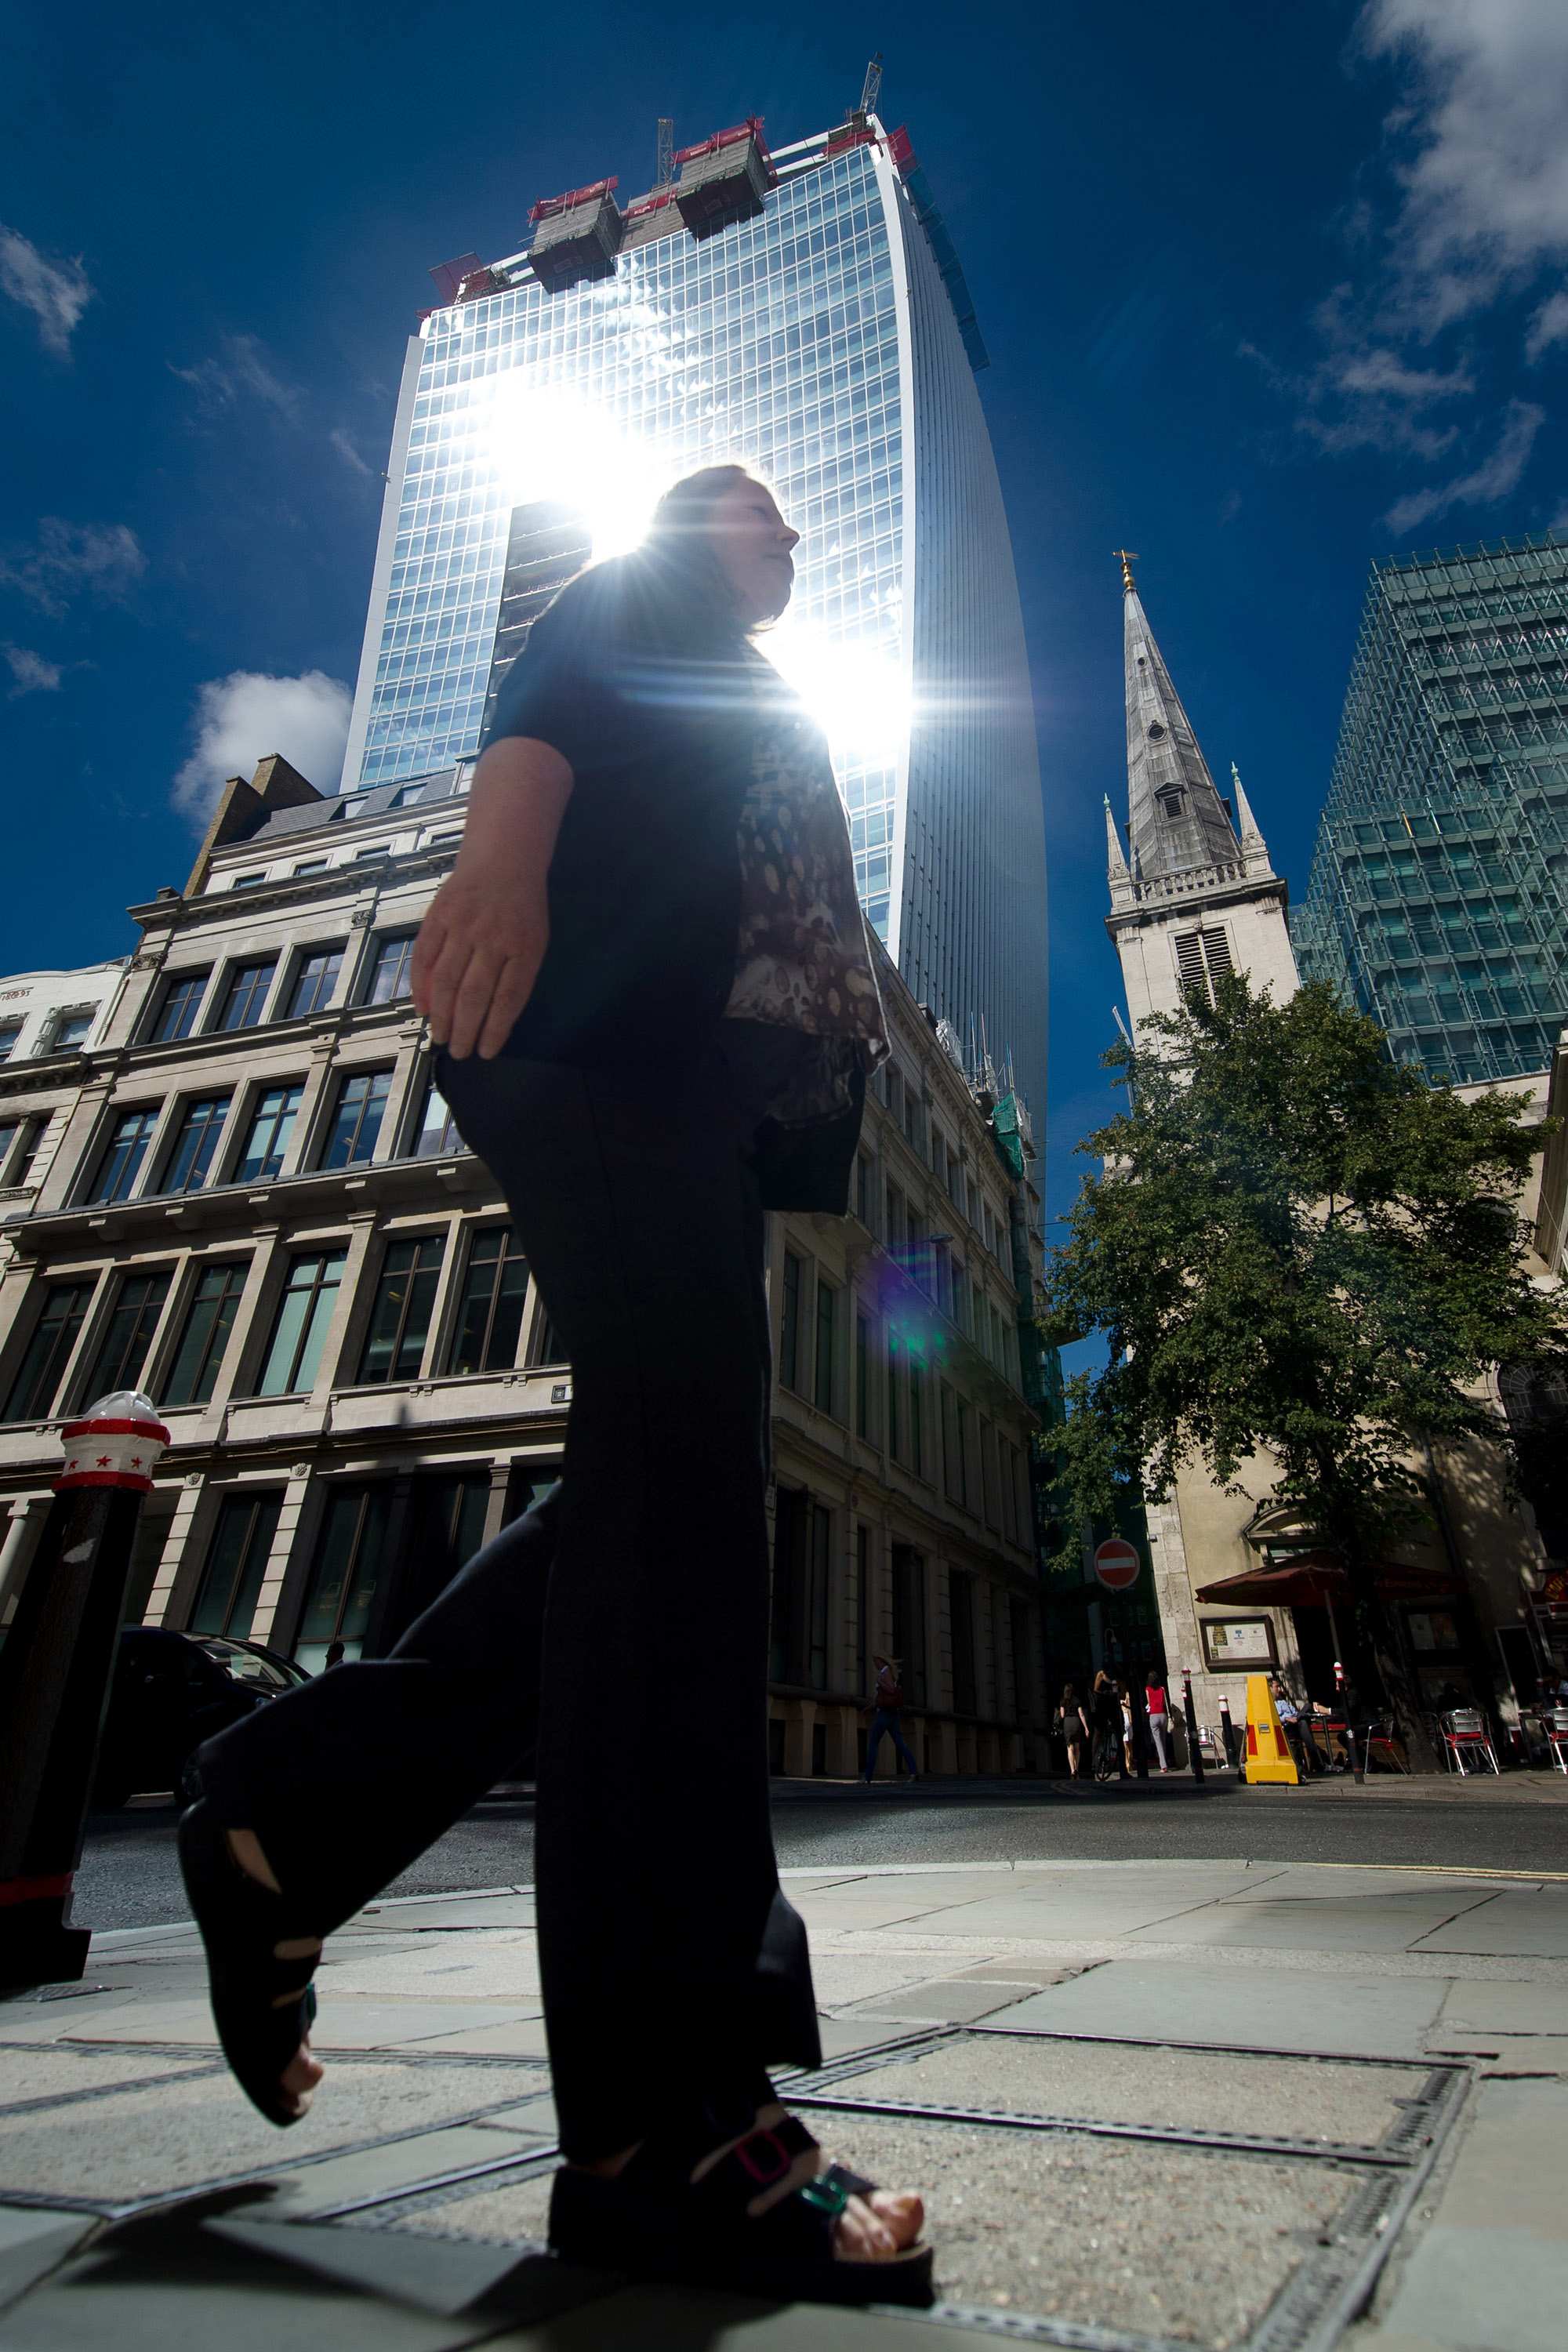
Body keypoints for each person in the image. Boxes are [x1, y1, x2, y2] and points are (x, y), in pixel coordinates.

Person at [173, 465, 932, 2310]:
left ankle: (283, 1809)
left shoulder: (740, 676)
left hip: (653, 1084)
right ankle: (659, 2121)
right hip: (570, 1038)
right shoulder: (642, 590)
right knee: (681, 1500)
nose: (787, 535)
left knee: (657, 1492)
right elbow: (541, 719)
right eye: (762, 508)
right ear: (695, 516)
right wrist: (495, 863)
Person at [862, 1655, 919, 1784]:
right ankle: (913, 1772)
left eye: (875, 1661)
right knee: (900, 1743)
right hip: (892, 1713)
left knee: (873, 1742)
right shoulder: (888, 1672)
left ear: (881, 1661)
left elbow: (891, 1690)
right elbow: (882, 1696)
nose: (874, 1664)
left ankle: (867, 1777)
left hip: (885, 1714)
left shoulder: (885, 1672)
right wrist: (870, 1707)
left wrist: (880, 1682)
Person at [1269, 1675, 1314, 1777]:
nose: (1279, 1689)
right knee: (1302, 1723)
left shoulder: (1283, 1701)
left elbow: (1293, 1712)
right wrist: (1286, 1718)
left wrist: (1295, 1716)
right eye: (1277, 1687)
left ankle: (1313, 1755)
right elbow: (1272, 1718)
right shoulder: (1270, 1704)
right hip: (1285, 1727)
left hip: (1294, 1723)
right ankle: (1313, 1753)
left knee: (1306, 1709)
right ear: (1270, 1688)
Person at [1090, 1670, 1127, 1782]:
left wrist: (1117, 1689)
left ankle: (1123, 1768)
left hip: (1112, 1708)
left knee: (1118, 1732)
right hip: (1102, 1707)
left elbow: (1123, 1695)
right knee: (1098, 1732)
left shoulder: (1119, 1681)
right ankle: (1093, 1761)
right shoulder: (1101, 1675)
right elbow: (1097, 1686)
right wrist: (1112, 1683)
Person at [1054, 1682, 1089, 1779]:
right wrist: (1086, 1728)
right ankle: (1077, 1768)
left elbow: (1062, 1715)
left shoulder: (1063, 1701)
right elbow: (1081, 1714)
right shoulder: (1077, 1700)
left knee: (1070, 1748)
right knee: (1077, 1747)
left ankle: (1072, 1770)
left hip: (1067, 1723)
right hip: (1076, 1723)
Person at [1144, 1671, 1172, 1773]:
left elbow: (1149, 1703)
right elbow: (1164, 1703)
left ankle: (1163, 1766)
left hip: (1154, 1715)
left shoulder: (1147, 1689)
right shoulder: (1162, 1689)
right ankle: (1165, 1762)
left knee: (1158, 1742)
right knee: (1163, 1740)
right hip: (1163, 1715)